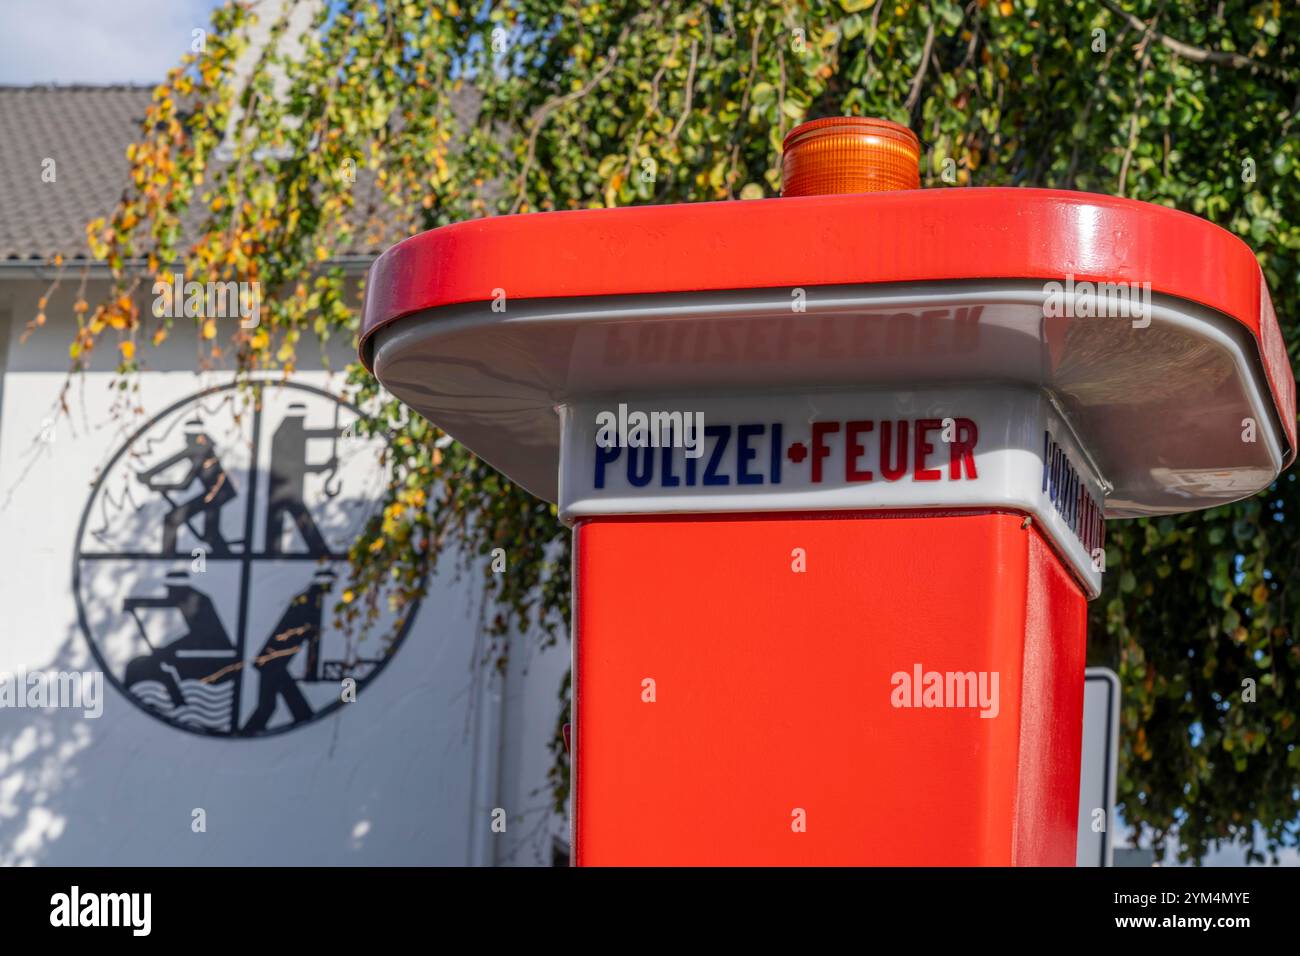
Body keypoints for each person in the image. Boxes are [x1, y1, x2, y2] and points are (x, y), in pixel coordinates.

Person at [241, 569, 336, 733]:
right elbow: (314, 638)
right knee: (270, 707)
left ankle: (246, 734)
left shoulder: (306, 598)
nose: (333, 587)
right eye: (331, 583)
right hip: (273, 662)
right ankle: (245, 735)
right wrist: (311, 673)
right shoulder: (312, 603)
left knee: (298, 711)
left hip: (275, 661)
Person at [137, 419, 237, 556]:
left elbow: (185, 485)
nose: (185, 439)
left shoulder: (201, 450)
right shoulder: (198, 448)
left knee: (173, 520)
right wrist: (148, 474)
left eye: (187, 436)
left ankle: (167, 560)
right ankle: (227, 559)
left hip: (218, 494)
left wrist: (157, 486)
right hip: (216, 493)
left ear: (195, 437)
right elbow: (172, 460)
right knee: (210, 534)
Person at [265, 403, 338, 556]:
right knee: (284, 529)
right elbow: (293, 467)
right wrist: (322, 467)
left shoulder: (292, 431)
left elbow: (323, 434)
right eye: (301, 418)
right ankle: (320, 553)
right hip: (284, 492)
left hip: (287, 491)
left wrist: (352, 430)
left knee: (284, 528)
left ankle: (319, 552)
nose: (303, 421)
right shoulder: (285, 435)